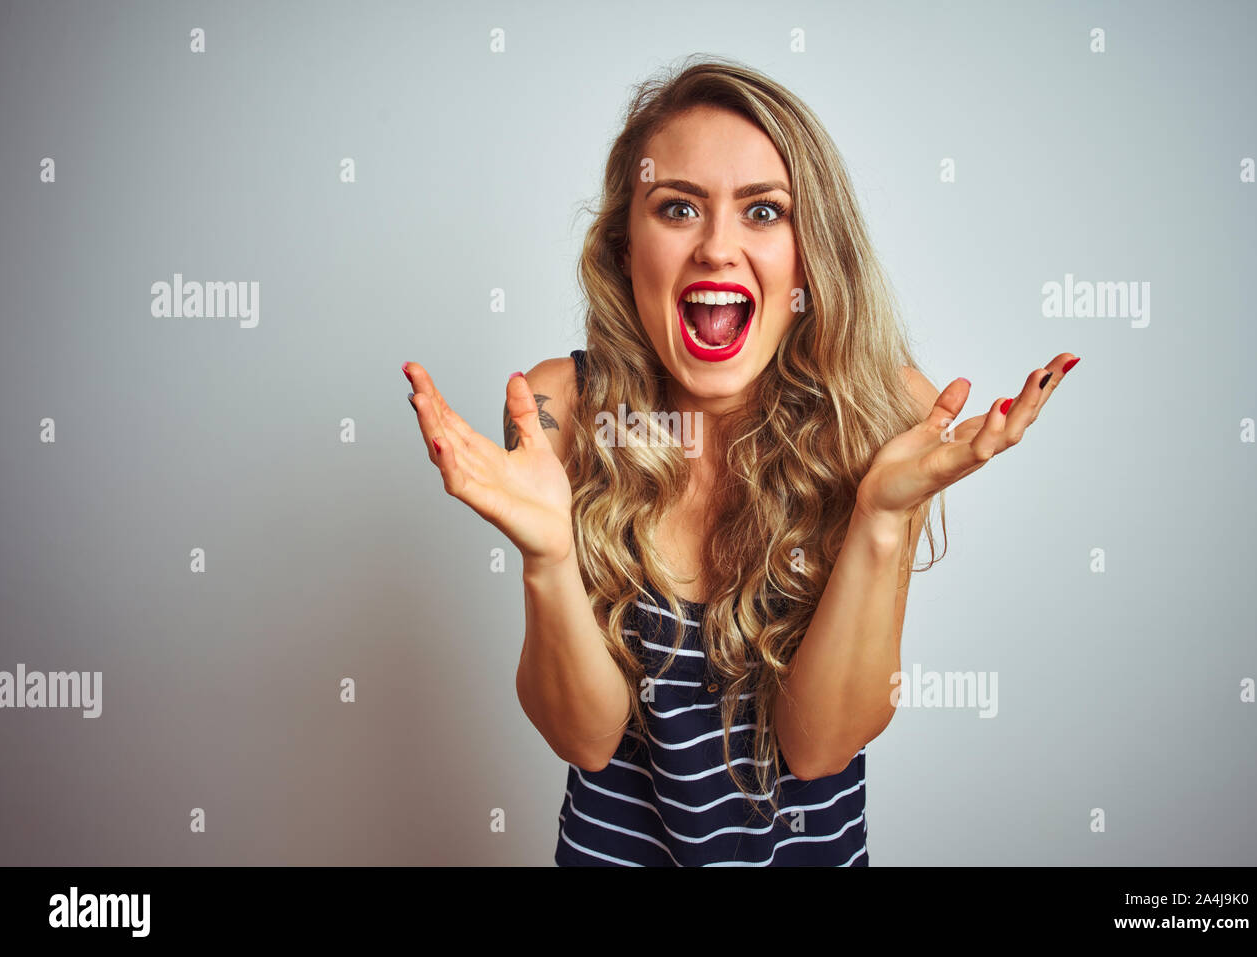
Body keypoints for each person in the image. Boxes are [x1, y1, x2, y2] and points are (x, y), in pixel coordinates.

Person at [402, 56, 1079, 866]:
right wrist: (547, 558)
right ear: (626, 248)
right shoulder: (566, 409)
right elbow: (583, 740)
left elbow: (820, 747)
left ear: (809, 254)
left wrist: (881, 518)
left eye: (763, 211)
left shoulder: (883, 415)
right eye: (678, 207)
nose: (717, 248)